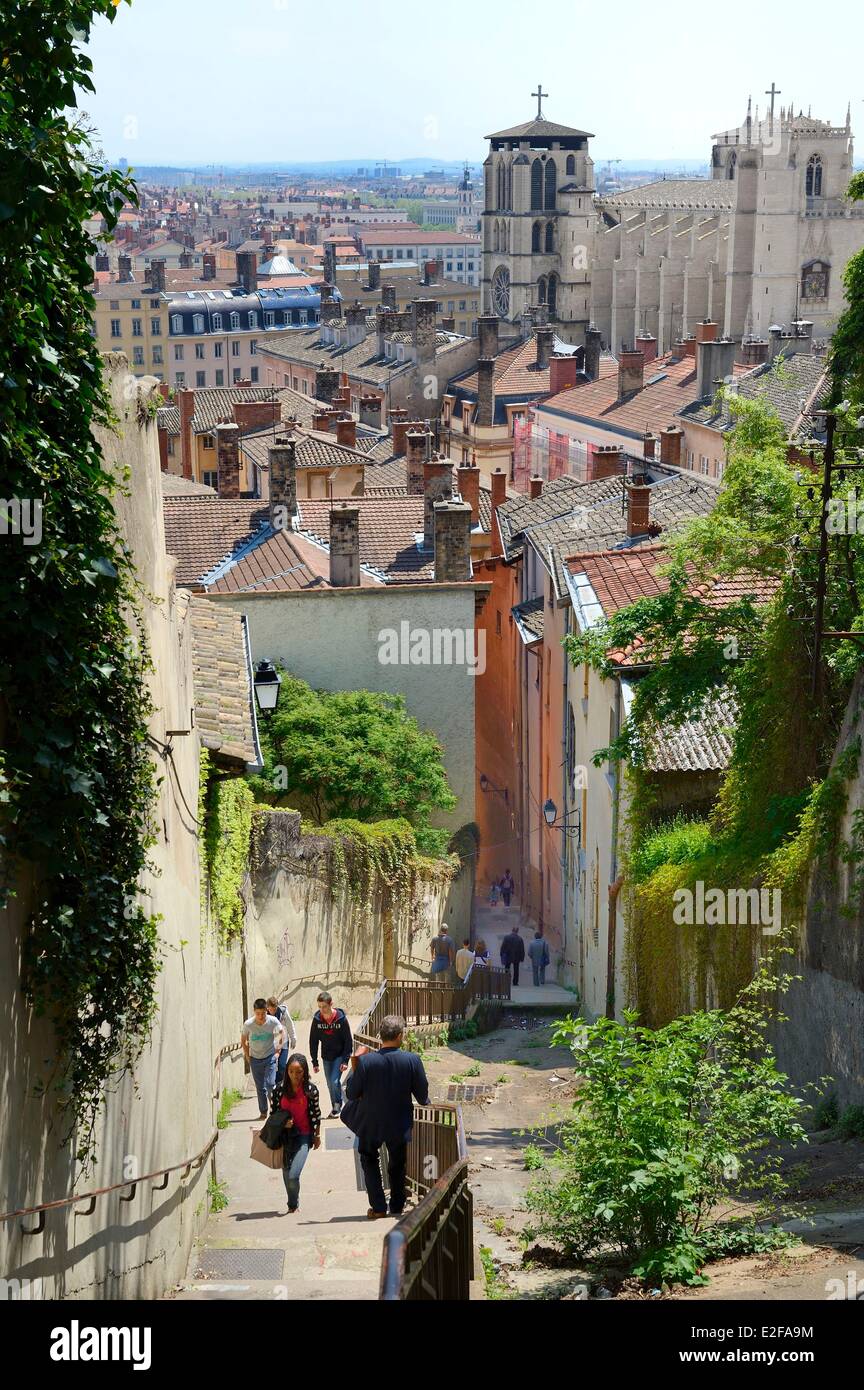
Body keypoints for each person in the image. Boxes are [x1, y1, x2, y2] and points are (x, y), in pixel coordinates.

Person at [344, 1014, 430, 1219]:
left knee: (368, 1158)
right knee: (398, 1163)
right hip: (399, 1123)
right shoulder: (412, 1060)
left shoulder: (366, 1062)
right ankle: (398, 1206)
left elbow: (351, 1093)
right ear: (400, 1035)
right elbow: (422, 1095)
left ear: (381, 1035)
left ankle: (379, 1207)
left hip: (370, 1121)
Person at [270, 1053, 321, 1213]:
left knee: (293, 1175)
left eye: (299, 1072)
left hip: (304, 1136)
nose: (295, 1076)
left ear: (305, 1072)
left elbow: (316, 1114)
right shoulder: (278, 1090)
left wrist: (317, 1135)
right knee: (286, 1171)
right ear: (287, 1072)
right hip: (285, 1137)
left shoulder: (311, 1090)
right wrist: (283, 1123)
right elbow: (273, 1116)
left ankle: (293, 1203)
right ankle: (292, 1205)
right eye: (291, 1072)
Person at [309, 990, 353, 1118]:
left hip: (339, 1055)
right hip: (326, 1057)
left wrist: (345, 1060)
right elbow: (313, 1041)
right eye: (320, 1007)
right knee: (329, 1083)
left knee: (334, 1081)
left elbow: (348, 1041)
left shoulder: (341, 1019)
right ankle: (335, 1105)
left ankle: (338, 1106)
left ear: (331, 1004)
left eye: (324, 1006)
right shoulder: (317, 1020)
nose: (322, 1009)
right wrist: (314, 1061)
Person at [241, 999, 285, 1119]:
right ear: (254, 1012)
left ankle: (275, 1108)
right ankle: (263, 1111)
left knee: (270, 1084)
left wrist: (278, 1051)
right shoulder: (248, 1024)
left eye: (263, 1013)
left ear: (267, 1011)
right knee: (260, 1087)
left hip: (269, 1056)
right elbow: (243, 1040)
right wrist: (247, 1055)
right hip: (255, 1058)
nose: (260, 1017)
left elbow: (281, 1033)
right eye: (258, 1013)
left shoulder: (273, 1021)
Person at [267, 996, 297, 1085]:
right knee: (271, 1066)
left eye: (274, 1009)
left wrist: (293, 1038)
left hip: (283, 1043)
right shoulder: (263, 1014)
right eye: (270, 1009)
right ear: (267, 1007)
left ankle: (280, 1085)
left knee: (282, 1066)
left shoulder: (283, 1012)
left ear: (277, 1006)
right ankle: (274, 1084)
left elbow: (290, 1025)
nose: (272, 1012)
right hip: (270, 1045)